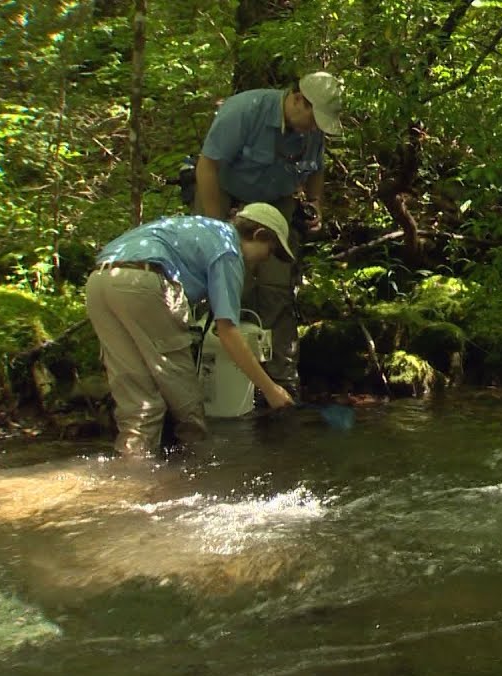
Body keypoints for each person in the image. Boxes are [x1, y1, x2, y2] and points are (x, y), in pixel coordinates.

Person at [85, 204, 297, 458]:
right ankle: (199, 468)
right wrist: (271, 390)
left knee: (138, 402)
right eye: (270, 250)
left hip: (99, 280)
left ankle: (133, 474)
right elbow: (228, 332)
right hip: (145, 283)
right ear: (259, 234)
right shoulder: (229, 251)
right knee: (183, 395)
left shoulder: (203, 228)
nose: (266, 259)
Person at [193, 71, 343, 397]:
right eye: (313, 118)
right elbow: (207, 166)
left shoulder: (311, 131)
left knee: (278, 285)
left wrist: (315, 204)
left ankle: (280, 379)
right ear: (297, 99)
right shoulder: (244, 111)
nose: (315, 128)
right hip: (226, 196)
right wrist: (216, 225)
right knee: (232, 281)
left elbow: (316, 169)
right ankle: (224, 378)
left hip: (278, 205)